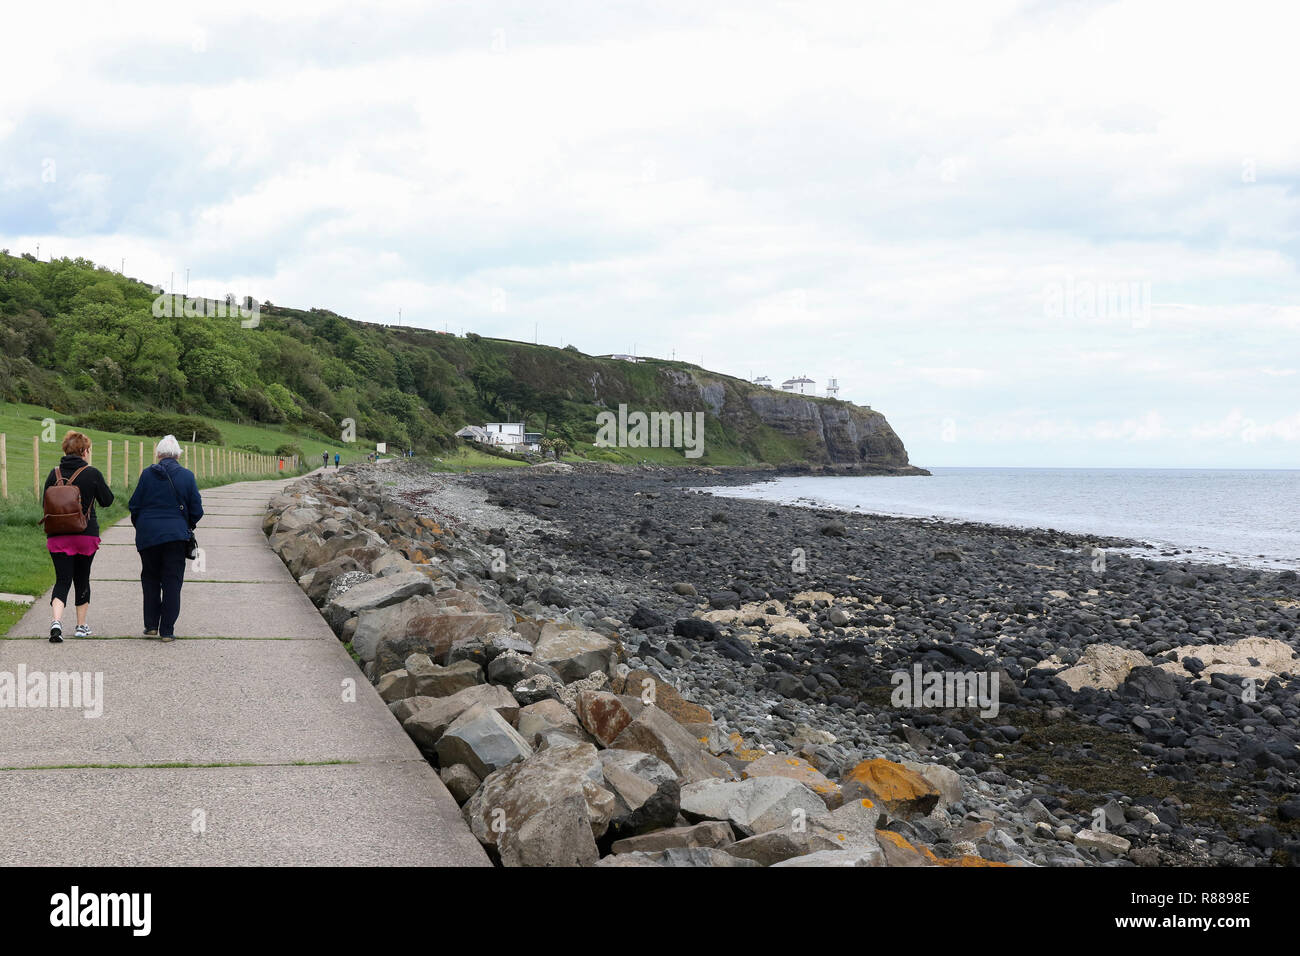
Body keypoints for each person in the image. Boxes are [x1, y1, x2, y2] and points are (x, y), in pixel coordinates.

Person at [128, 435, 203, 642]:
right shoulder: (187, 476)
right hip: (176, 537)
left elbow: (134, 505)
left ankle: (151, 625)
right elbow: (197, 509)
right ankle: (167, 630)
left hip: (148, 535)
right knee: (172, 581)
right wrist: (186, 524)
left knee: (150, 578)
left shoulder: (146, 475)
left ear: (159, 454)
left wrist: (142, 525)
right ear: (178, 455)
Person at [42, 431, 113, 642]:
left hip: (57, 536)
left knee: (62, 579)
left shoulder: (53, 473)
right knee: (82, 578)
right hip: (85, 535)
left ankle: (56, 622)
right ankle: (81, 626)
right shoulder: (92, 473)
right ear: (84, 451)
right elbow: (107, 500)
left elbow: (44, 503)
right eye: (88, 449)